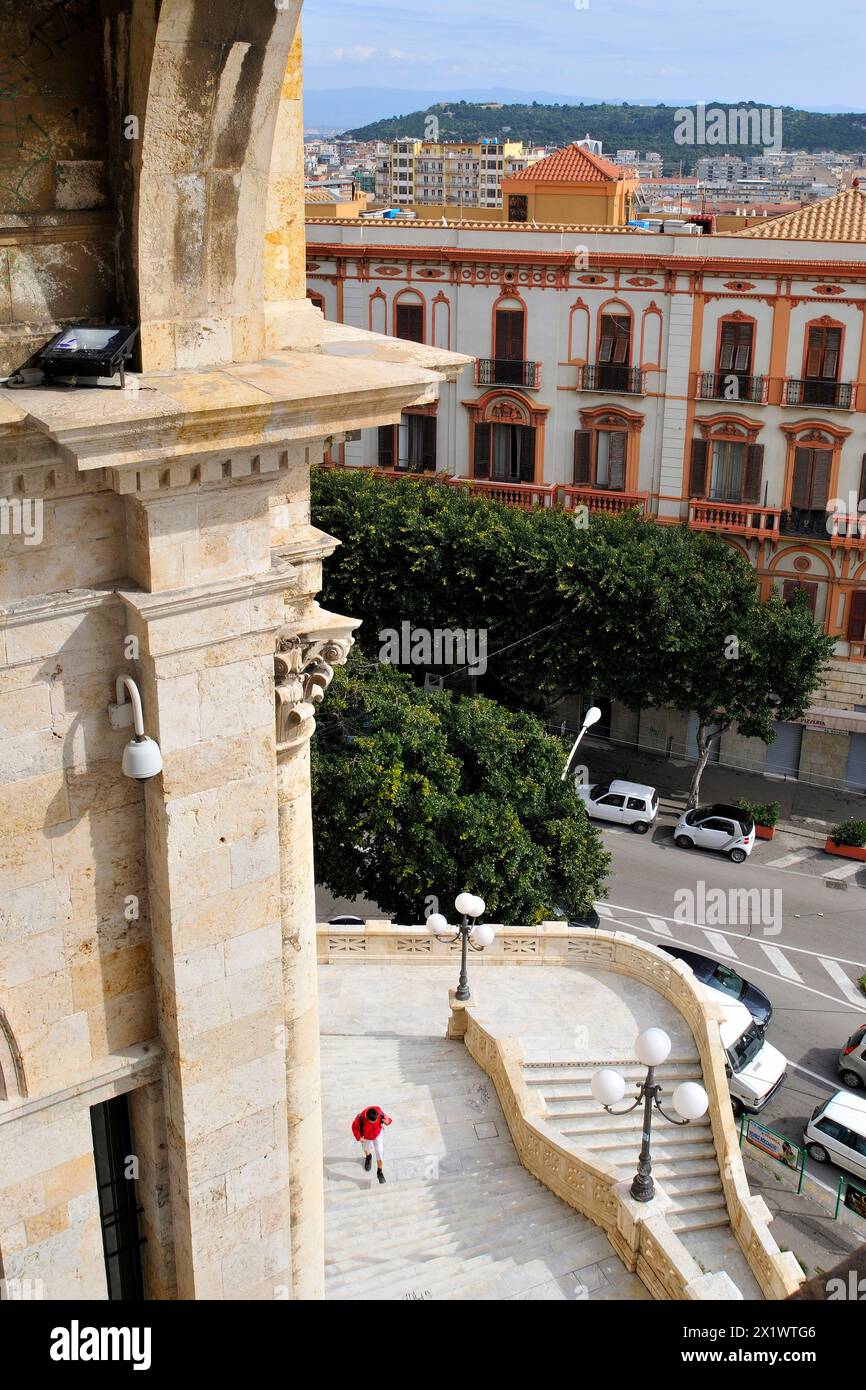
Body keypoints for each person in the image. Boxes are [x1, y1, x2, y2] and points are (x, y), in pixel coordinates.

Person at [352, 1105, 392, 1184]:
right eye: (372, 1122)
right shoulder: (360, 1118)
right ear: (367, 1118)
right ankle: (368, 1157)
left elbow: (388, 1119)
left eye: (376, 1121)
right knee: (366, 1149)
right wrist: (358, 1137)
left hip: (378, 1135)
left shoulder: (379, 1113)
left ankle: (379, 1172)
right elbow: (354, 1127)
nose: (375, 1122)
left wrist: (388, 1122)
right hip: (366, 1137)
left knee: (380, 1153)